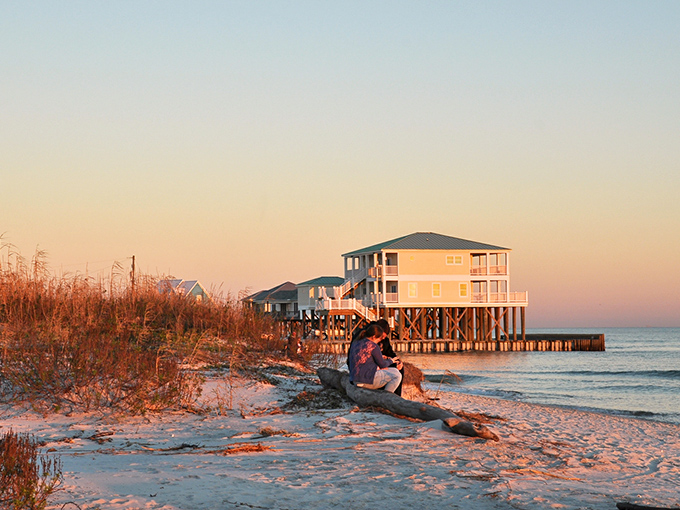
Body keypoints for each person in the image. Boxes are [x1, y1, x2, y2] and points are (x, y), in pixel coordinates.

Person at [348, 323, 402, 393]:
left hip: (354, 379)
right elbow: (382, 364)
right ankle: (386, 397)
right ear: (374, 337)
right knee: (397, 375)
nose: (380, 341)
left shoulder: (356, 342)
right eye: (379, 339)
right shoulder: (373, 346)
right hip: (366, 381)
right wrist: (391, 361)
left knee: (394, 371)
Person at [376, 318, 405, 396]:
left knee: (400, 369)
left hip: (383, 362)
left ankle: (397, 396)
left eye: (385, 336)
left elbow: (391, 354)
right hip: (375, 365)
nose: (383, 338)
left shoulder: (385, 341)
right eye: (382, 336)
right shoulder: (371, 341)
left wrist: (398, 362)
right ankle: (384, 394)